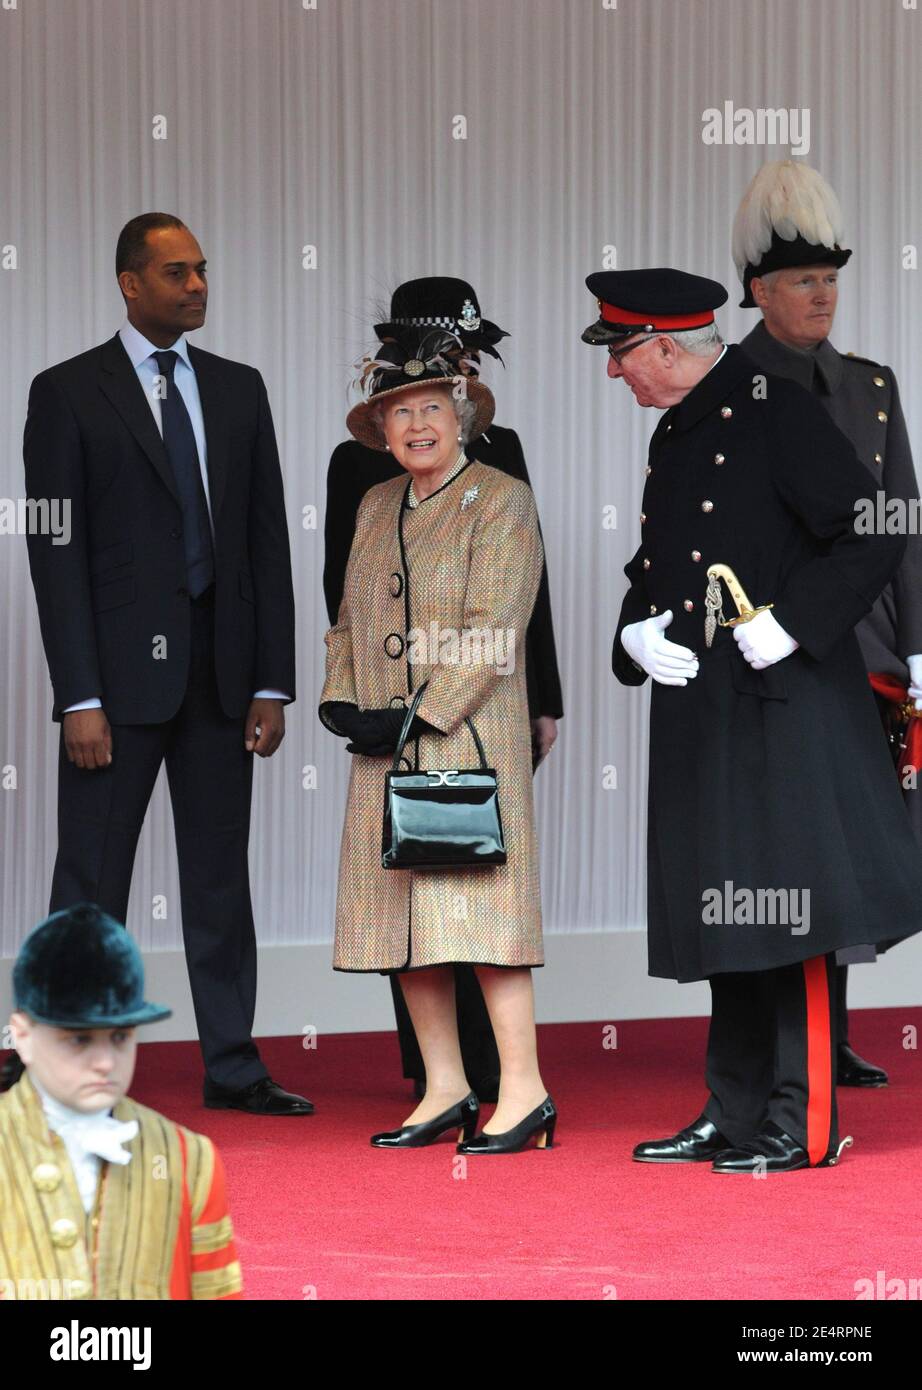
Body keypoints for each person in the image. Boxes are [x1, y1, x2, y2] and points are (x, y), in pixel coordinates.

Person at [585, 266, 922, 1172]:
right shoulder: (679, 428)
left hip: (789, 703)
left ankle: (800, 1121)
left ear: (662, 345)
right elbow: (656, 566)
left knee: (795, 912)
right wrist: (635, 635)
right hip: (709, 708)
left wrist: (794, 621)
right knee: (727, 908)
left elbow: (878, 523)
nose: (615, 373)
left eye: (619, 354)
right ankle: (734, 1109)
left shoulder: (774, 406)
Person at [17, 213, 311, 1116]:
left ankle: (232, 1066)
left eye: (203, 270)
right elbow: (53, 555)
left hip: (224, 686)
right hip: (115, 689)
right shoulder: (65, 391)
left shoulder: (238, 389)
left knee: (221, 881)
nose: (198, 286)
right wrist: (80, 696)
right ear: (129, 283)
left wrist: (272, 680)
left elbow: (266, 543)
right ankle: (61, 1064)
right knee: (91, 882)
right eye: (177, 272)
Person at [324, 277, 564, 1104]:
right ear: (381, 428)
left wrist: (420, 714)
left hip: (462, 734)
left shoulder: (501, 498)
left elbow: (500, 628)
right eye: (401, 412)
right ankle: (445, 1088)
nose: (418, 424)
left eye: (433, 409)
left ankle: (524, 1092)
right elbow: (347, 612)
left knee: (479, 924)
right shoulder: (373, 498)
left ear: (463, 416)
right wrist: (339, 696)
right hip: (382, 738)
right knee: (402, 926)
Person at [733, 160, 922, 1088]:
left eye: (833, 279)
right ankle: (781, 1045)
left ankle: (828, 1031)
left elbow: (902, 521)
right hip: (776, 646)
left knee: (851, 842)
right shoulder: (731, 383)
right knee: (780, 845)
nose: (824, 296)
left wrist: (920, 643)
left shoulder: (874, 386)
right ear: (760, 292)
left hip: (870, 648)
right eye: (805, 280)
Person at [0, 902, 241, 1300]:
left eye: (120, 1037)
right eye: (79, 1039)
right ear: (22, 1036)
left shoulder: (190, 1159)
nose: (105, 1062)